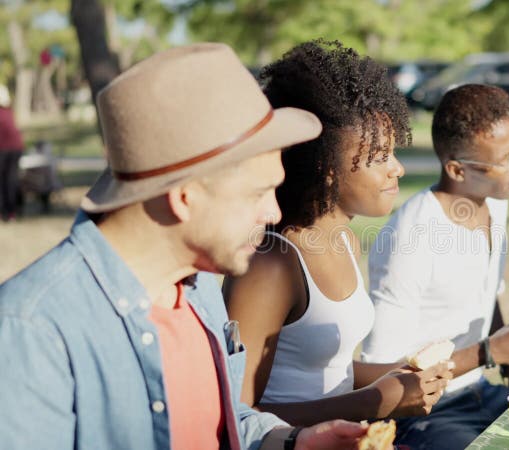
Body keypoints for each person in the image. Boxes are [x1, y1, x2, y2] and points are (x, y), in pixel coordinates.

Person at [0, 43, 367, 450]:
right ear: (184, 195)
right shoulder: (32, 331)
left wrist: (292, 441)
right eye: (258, 193)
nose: (273, 213)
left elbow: (222, 418)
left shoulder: (200, 286)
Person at [224, 40, 452, 427]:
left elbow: (332, 372)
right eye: (379, 158)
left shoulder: (345, 239)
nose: (397, 169)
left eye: (393, 153)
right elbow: (236, 417)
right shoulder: (272, 264)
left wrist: (399, 376)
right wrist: (373, 402)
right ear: (327, 168)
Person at [361, 84, 509, 449]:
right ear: (457, 169)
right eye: (507, 159)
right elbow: (383, 373)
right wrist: (490, 352)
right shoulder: (411, 237)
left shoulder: (493, 200)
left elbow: (486, 294)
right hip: (424, 414)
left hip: (483, 391)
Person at [0, 84, 24, 222]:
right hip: (15, 148)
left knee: (6, 181)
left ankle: (7, 211)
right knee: (10, 180)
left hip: (4, 149)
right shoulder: (9, 112)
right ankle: (11, 212)